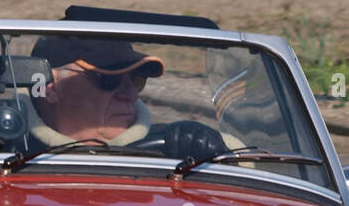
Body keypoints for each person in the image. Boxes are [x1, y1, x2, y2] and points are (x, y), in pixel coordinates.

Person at [25, 35, 233, 161]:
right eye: (108, 79)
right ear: (49, 88)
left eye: (136, 80)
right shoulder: (0, 150)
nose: (131, 95)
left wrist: (217, 158)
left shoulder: (179, 150)